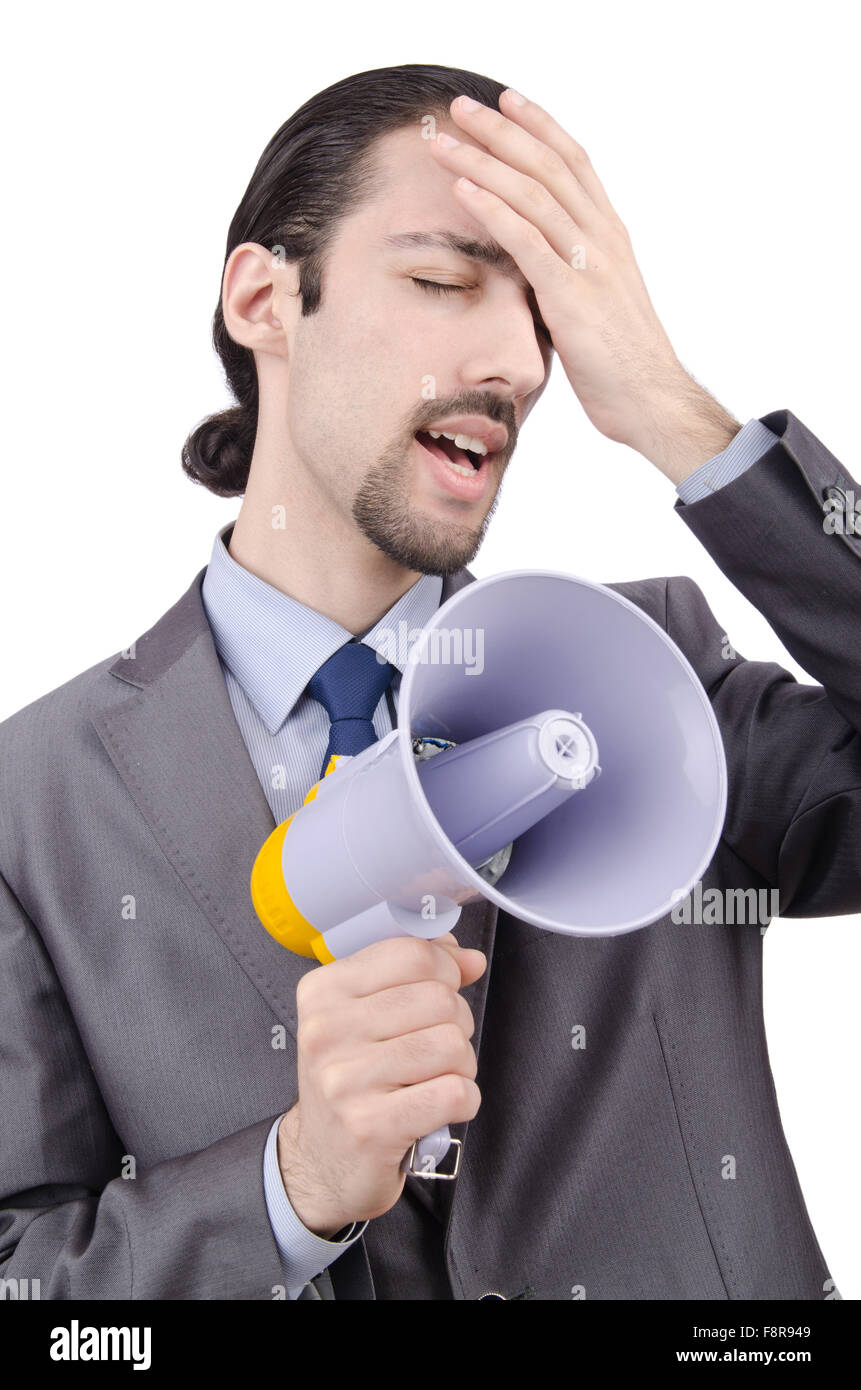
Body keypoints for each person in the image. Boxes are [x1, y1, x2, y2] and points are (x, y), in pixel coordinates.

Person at [1, 63, 857, 1301]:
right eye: (442, 280)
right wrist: (288, 1190)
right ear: (264, 297)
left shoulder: (655, 676)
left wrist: (678, 414)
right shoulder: (32, 805)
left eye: (547, 315)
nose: (515, 359)